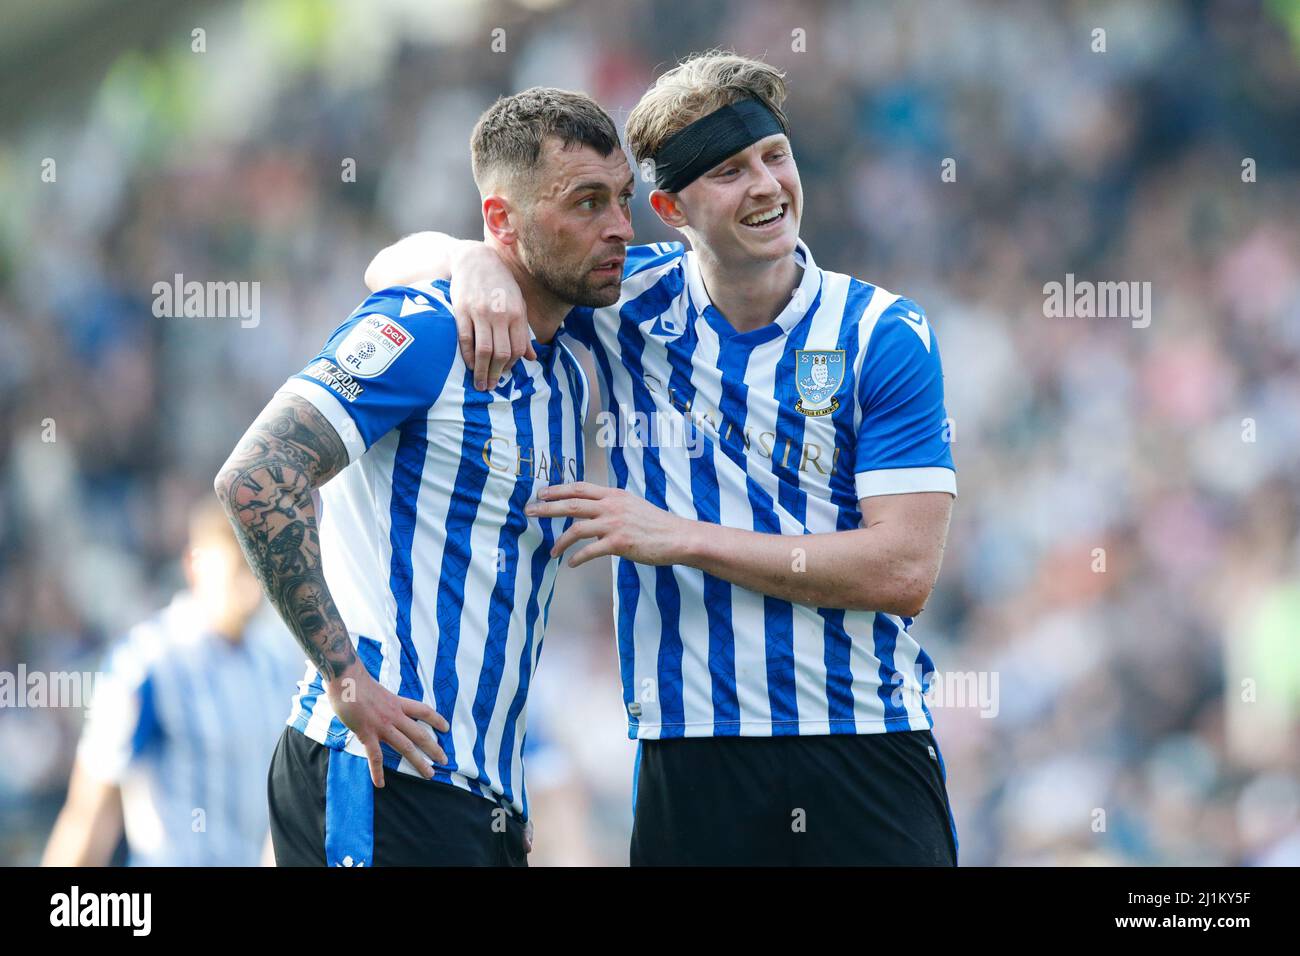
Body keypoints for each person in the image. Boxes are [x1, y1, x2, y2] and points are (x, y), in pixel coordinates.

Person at [364, 52, 960, 866]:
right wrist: (472, 261)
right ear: (671, 206)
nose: (765, 186)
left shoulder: (882, 334)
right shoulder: (623, 302)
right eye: (728, 171)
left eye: (773, 157)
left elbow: (903, 571)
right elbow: (388, 267)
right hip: (687, 755)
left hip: (859, 742)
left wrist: (677, 535)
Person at [214, 87, 634, 866]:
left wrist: (466, 253)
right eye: (586, 202)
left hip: (479, 801)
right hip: (381, 773)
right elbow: (258, 475)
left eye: (623, 199)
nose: (617, 226)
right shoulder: (425, 327)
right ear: (504, 220)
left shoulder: (573, 360)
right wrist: (344, 679)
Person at [42, 501, 301, 866]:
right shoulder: (148, 663)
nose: (250, 591)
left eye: (257, 572)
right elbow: (90, 811)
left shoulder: (277, 663)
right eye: (236, 571)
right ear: (195, 566)